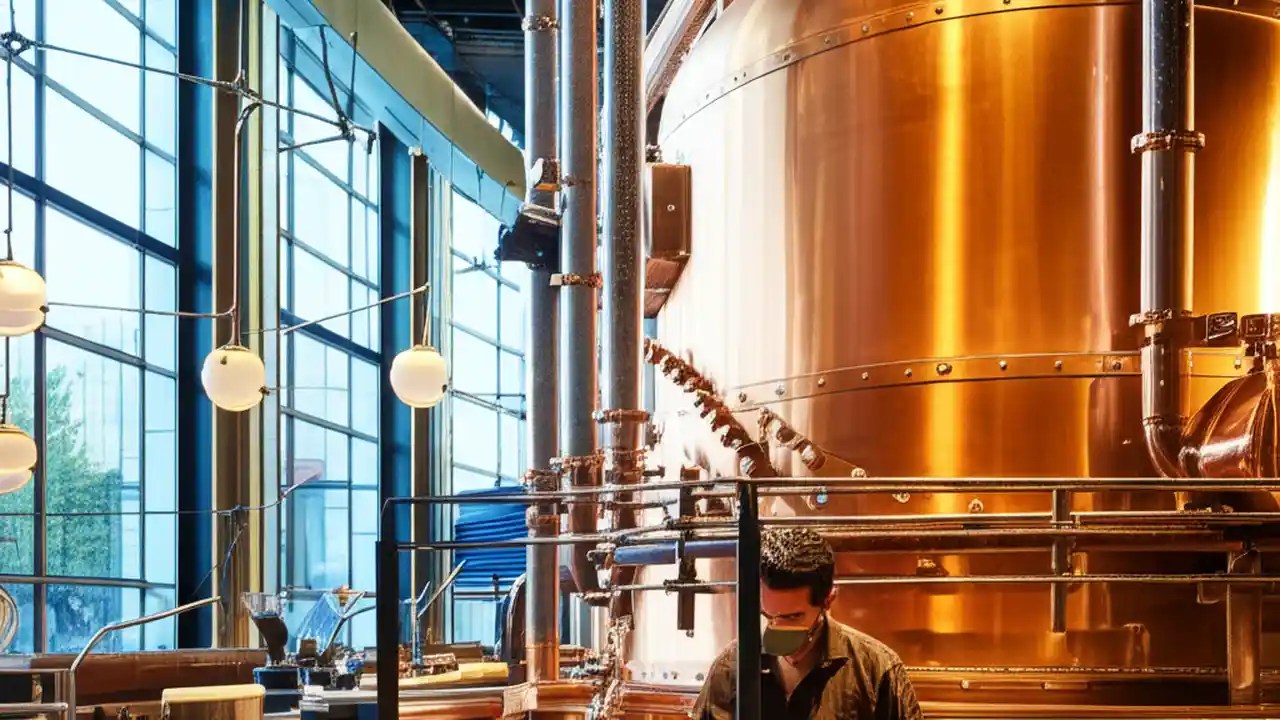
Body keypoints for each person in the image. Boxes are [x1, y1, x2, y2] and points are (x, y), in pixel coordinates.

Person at [691, 528, 923, 720]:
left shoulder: (875, 670)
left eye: (792, 617)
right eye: (768, 615)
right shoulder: (731, 667)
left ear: (828, 600)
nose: (777, 629)